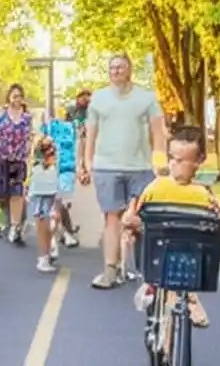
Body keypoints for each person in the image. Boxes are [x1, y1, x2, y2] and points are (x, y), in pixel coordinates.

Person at [122, 125, 220, 328]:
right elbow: (132, 216)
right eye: (172, 158)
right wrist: (132, 220)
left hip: (187, 255)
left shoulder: (204, 194)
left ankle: (186, 299)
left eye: (181, 160)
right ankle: (187, 301)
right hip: (157, 251)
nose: (173, 165)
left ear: (199, 161)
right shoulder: (156, 187)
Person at [78, 54, 167, 289]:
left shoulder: (146, 98)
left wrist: (160, 160)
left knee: (138, 219)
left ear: (129, 71)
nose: (116, 71)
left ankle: (144, 269)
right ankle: (110, 269)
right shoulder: (99, 98)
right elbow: (91, 132)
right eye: (112, 68)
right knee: (111, 218)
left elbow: (159, 131)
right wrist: (87, 162)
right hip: (106, 167)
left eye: (120, 67)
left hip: (140, 167)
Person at [0, 84, 32, 245]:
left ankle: (15, 227)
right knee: (1, 192)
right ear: (8, 97)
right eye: (14, 96)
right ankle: (10, 219)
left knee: (16, 192)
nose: (16, 99)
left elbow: (29, 137)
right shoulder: (1, 116)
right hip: (3, 159)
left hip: (18, 160)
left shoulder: (26, 118)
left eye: (19, 96)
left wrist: (29, 152)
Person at [39, 109, 82, 259]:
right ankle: (57, 239)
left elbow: (79, 147)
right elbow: (39, 145)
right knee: (55, 207)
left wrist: (81, 167)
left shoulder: (73, 128)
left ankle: (63, 235)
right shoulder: (48, 126)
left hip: (66, 170)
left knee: (60, 205)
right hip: (52, 169)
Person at [26, 134, 60, 273]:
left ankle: (48, 247)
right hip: (41, 190)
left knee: (52, 220)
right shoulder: (37, 156)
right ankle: (44, 256)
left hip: (51, 189)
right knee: (44, 223)